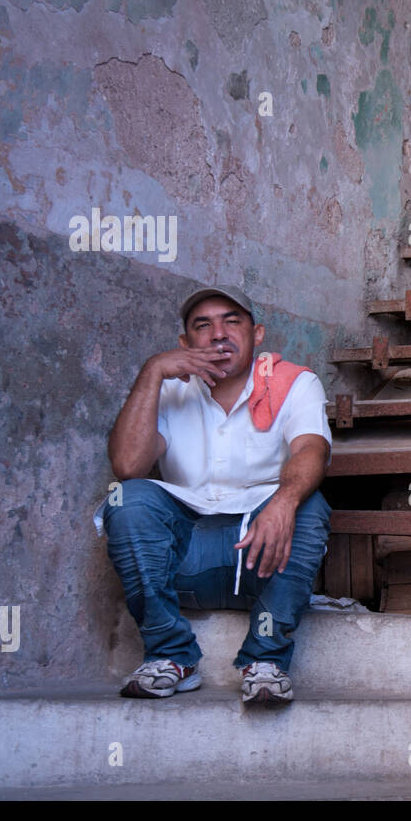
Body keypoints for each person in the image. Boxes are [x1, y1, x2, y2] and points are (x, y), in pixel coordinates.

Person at [95, 285, 332, 705]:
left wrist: (283, 500)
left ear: (257, 335)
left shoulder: (294, 383)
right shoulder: (169, 389)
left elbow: (312, 449)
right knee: (125, 498)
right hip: (185, 561)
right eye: (203, 325)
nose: (219, 334)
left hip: (260, 560)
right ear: (185, 344)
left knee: (308, 503)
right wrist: (152, 372)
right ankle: (171, 657)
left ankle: (266, 661)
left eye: (232, 321)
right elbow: (129, 466)